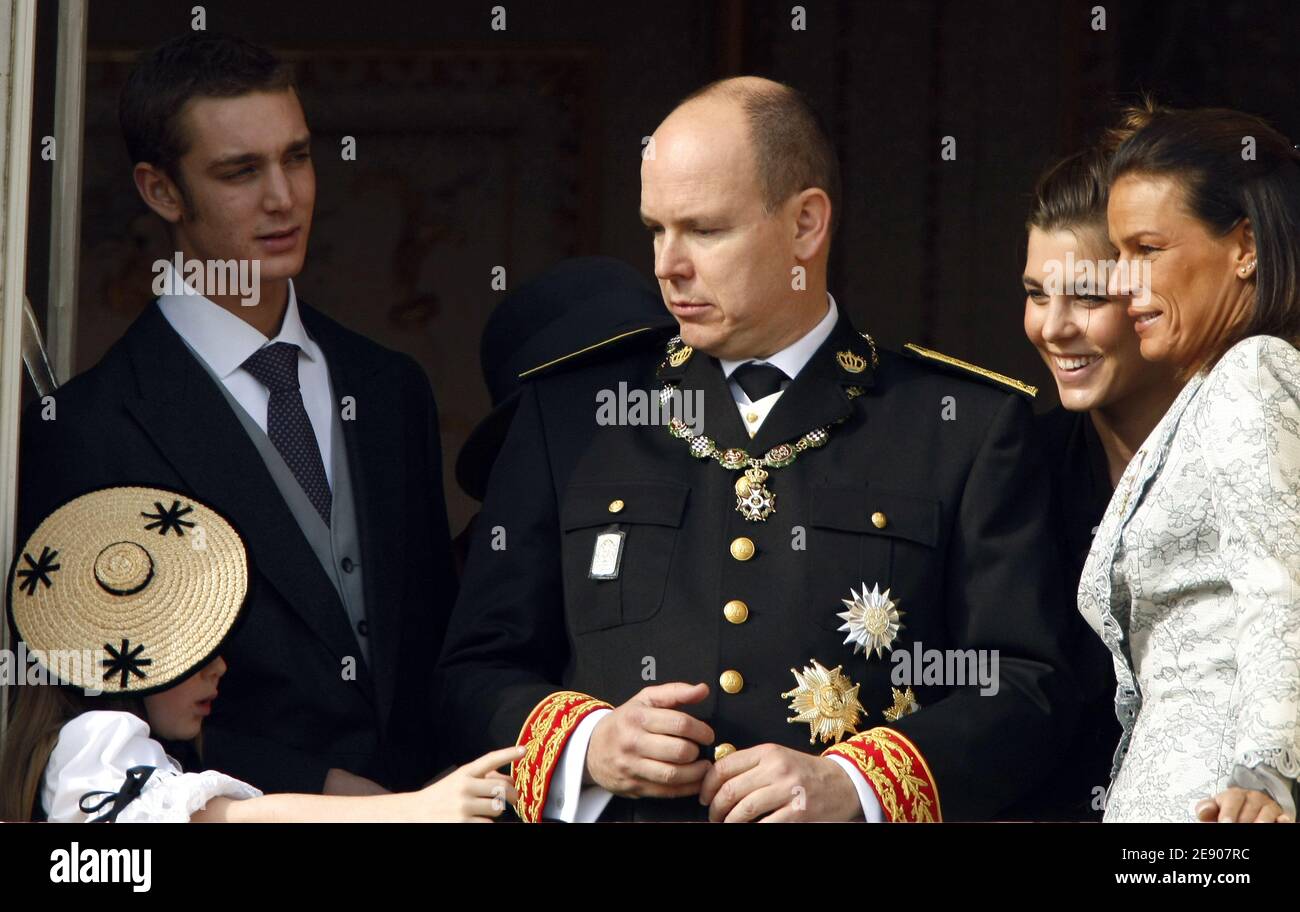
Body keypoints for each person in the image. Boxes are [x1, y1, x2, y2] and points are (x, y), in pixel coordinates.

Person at [437, 76, 1081, 822]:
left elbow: (1027, 682)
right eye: (656, 230)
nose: (668, 265)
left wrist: (858, 786)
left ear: (806, 225)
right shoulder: (572, 416)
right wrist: (589, 743)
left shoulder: (960, 425)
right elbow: (471, 670)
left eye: (705, 231)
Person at [15, 33, 457, 796]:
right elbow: (94, 704)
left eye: (297, 157)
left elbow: (436, 641)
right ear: (160, 191)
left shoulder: (391, 388)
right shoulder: (88, 426)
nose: (283, 197)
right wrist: (318, 787)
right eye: (240, 171)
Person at [0, 487, 519, 823]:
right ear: (120, 670)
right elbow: (221, 821)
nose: (218, 664)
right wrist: (417, 810)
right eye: (185, 647)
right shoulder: (89, 744)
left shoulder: (166, 756)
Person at [1079, 99, 1300, 822]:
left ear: (1246, 247)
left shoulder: (1253, 373)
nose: (1121, 282)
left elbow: (1282, 588)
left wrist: (1271, 775)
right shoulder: (1210, 389)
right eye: (1117, 255)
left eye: (1148, 249)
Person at [1020, 145, 1183, 818]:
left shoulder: (1252, 449)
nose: (1054, 328)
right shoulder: (1021, 463)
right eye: (1035, 293)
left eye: (1087, 296)